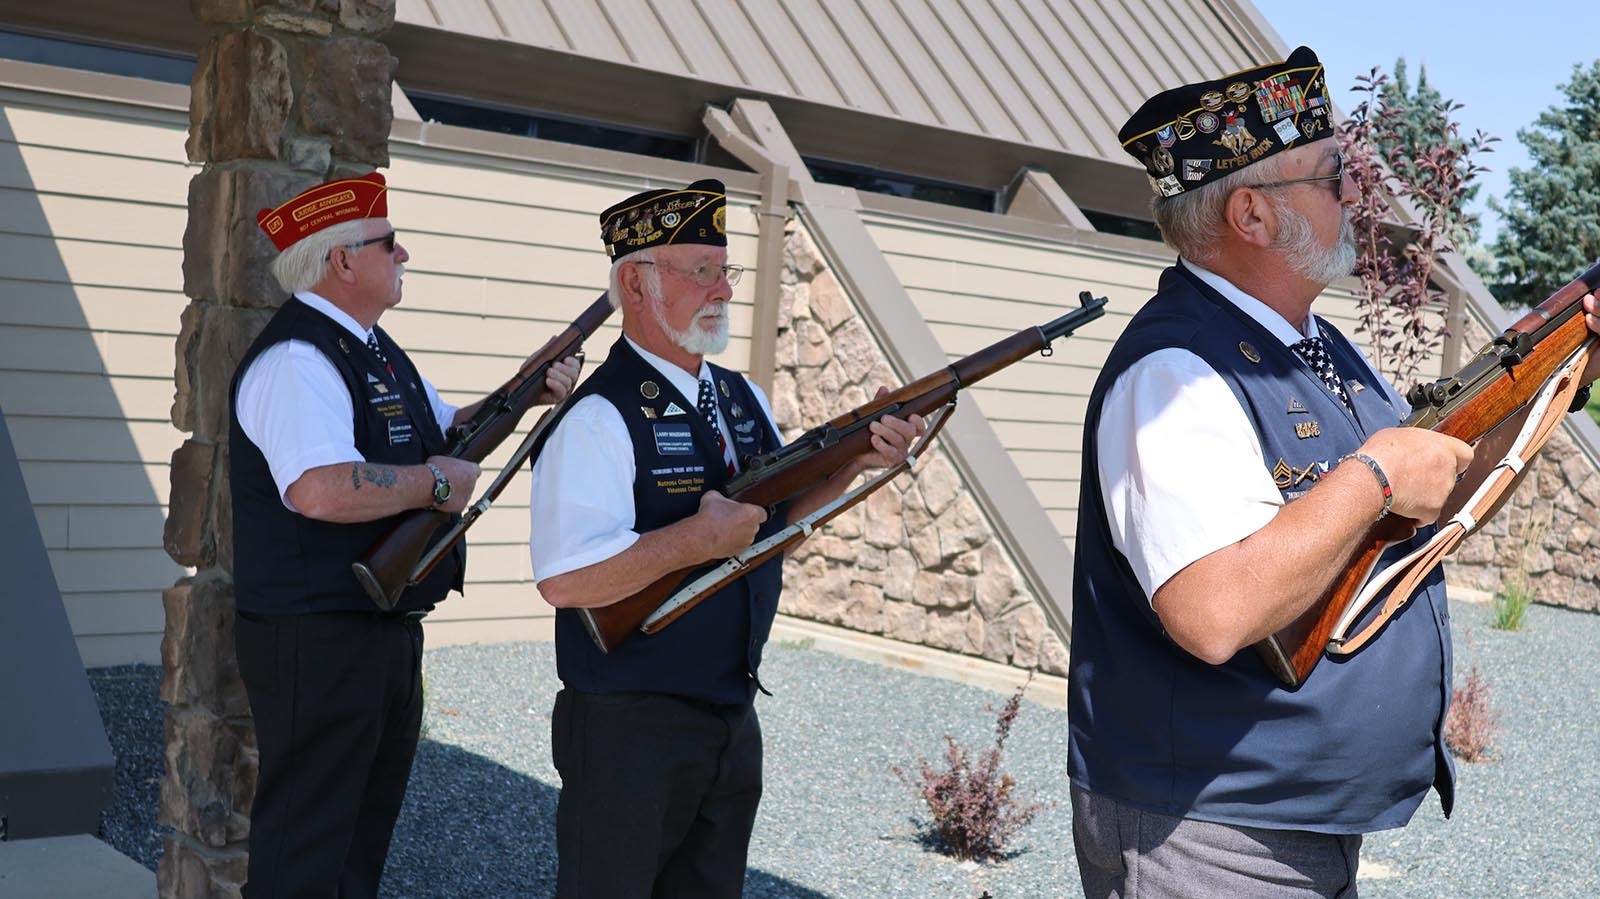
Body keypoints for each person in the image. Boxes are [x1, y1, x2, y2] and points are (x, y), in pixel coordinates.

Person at [1068, 46, 1600, 898]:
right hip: (1210, 834)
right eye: (1331, 176)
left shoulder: (1317, 349)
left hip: (1290, 826)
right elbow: (1212, 611)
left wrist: (1566, 367)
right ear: (1251, 214)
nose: (1356, 194)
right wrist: (1375, 475)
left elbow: (1434, 490)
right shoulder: (1174, 370)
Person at [527, 178, 923, 898]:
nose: (724, 290)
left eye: (725, 270)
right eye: (700, 271)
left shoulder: (743, 399)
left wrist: (856, 464)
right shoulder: (595, 418)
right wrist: (691, 541)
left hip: (728, 720)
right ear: (636, 284)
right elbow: (565, 581)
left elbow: (769, 534)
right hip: (626, 729)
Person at [229, 171, 580, 897]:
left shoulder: (373, 348)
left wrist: (525, 388)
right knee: (308, 847)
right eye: (390, 244)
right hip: (315, 636)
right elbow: (319, 488)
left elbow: (452, 431)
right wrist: (434, 485)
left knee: (356, 843)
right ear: (343, 260)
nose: (405, 255)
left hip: (373, 629)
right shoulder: (298, 360)